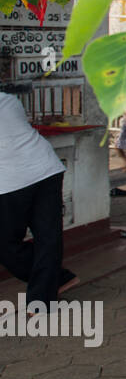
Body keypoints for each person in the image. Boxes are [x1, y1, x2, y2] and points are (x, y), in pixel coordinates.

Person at [1, 90, 77, 306]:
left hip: (14, 180)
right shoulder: (9, 99)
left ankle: (44, 296)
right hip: (46, 169)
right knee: (47, 237)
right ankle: (55, 282)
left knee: (7, 243)